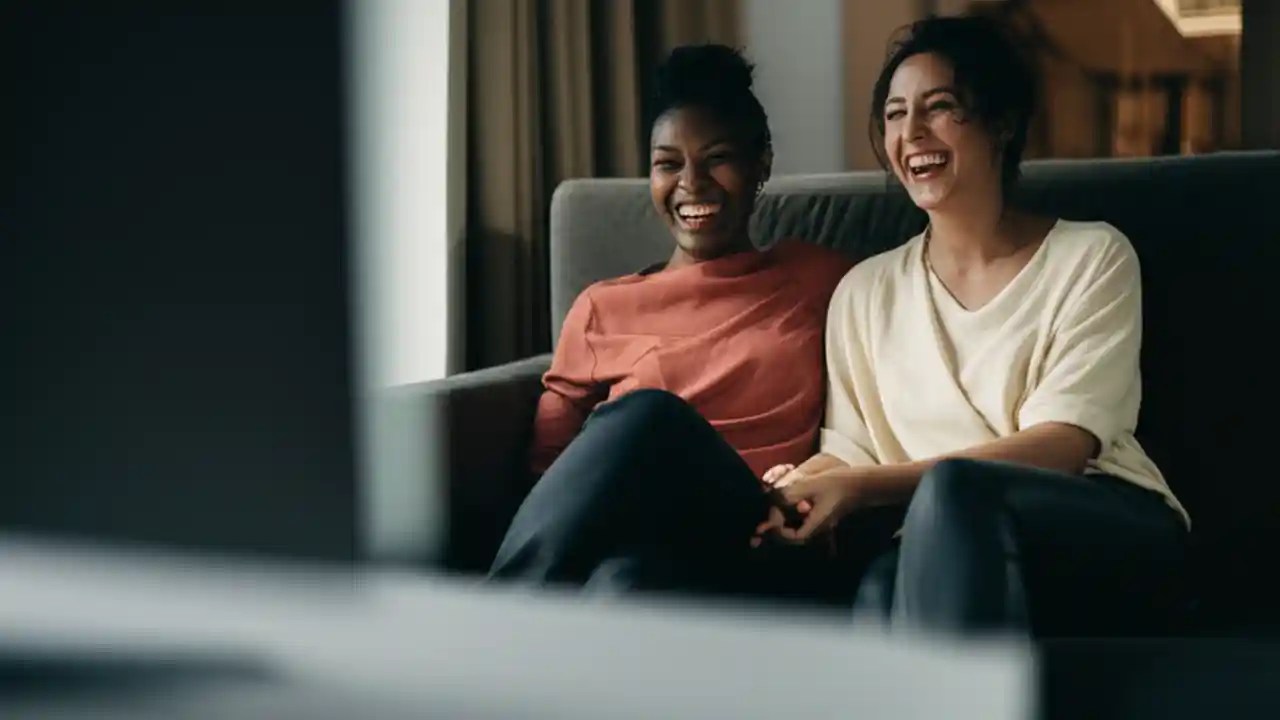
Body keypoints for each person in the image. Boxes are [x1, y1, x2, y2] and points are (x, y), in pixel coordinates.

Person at [759, 15, 1190, 636]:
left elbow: (1064, 445)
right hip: (947, 541)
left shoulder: (1092, 257)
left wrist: (865, 486)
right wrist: (799, 486)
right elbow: (850, 449)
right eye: (894, 114)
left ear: (1001, 123)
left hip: (1107, 525)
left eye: (940, 108)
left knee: (957, 491)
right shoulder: (863, 292)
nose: (911, 134)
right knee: (881, 587)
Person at [487, 44, 864, 603]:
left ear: (761, 164)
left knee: (649, 417)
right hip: (647, 546)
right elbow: (554, 479)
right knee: (620, 584)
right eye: (668, 163)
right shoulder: (601, 307)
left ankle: (491, 627)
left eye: (716, 159)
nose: (692, 183)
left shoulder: (823, 278)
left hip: (766, 535)